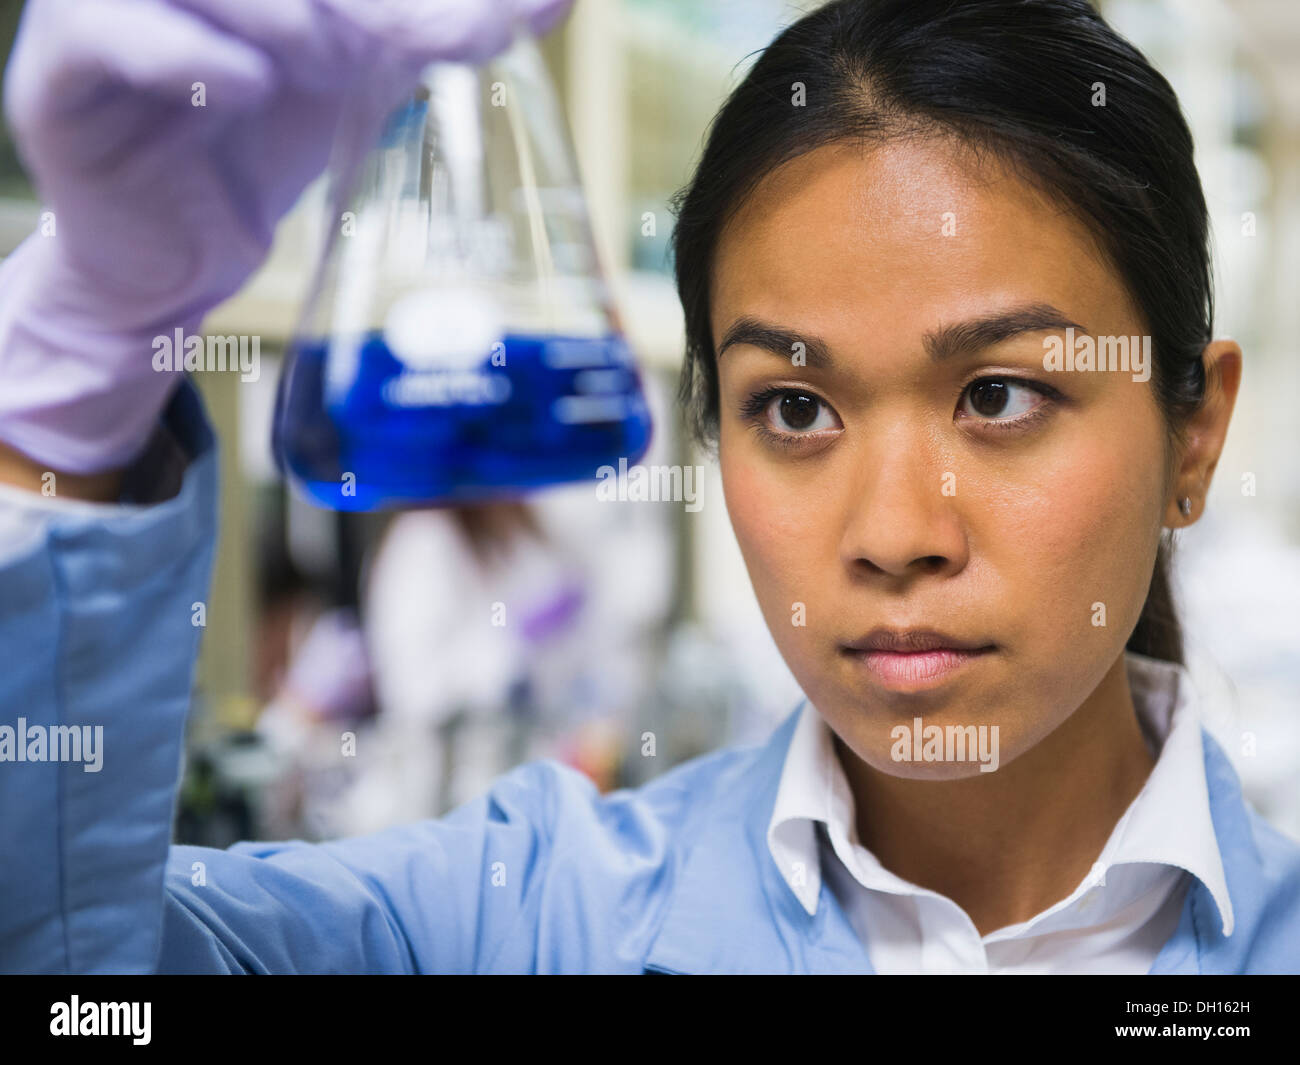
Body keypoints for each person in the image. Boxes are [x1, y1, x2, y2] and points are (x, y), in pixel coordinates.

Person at [0, 0, 1296, 975]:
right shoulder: (534, 912)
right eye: (794, 408)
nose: (895, 535)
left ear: (1193, 434)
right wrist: (90, 343)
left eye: (1000, 395)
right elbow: (70, 971)